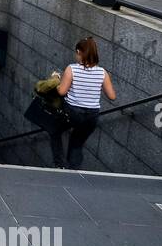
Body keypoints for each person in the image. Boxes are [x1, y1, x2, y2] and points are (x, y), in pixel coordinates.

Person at [50, 36, 116, 170]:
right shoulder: (102, 72)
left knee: (54, 130)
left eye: (76, 53)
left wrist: (56, 80)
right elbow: (112, 96)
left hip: (73, 112)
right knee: (77, 142)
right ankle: (73, 171)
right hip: (92, 116)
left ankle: (60, 164)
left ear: (79, 52)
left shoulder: (72, 69)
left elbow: (62, 92)